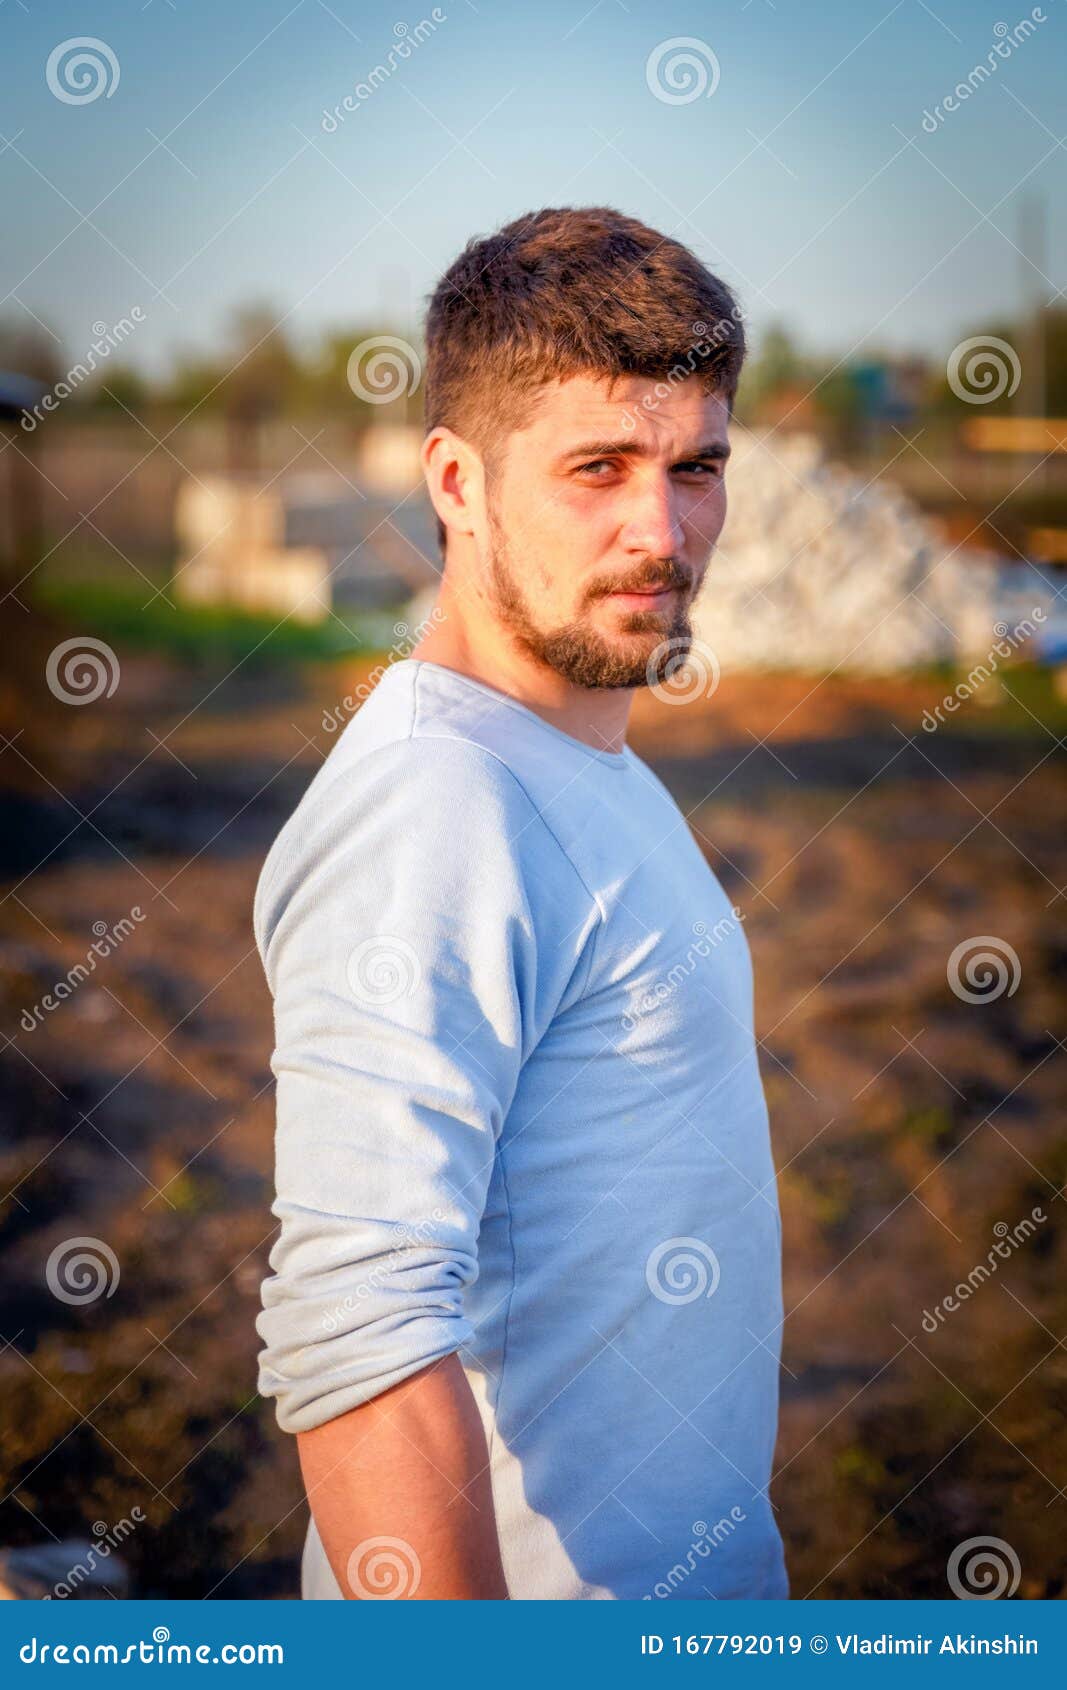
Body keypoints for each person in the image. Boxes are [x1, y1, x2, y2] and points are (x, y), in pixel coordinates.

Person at [254, 206, 787, 1601]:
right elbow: (359, 1343)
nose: (659, 530)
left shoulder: (571, 753)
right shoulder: (436, 806)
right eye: (597, 467)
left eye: (696, 467)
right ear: (458, 481)